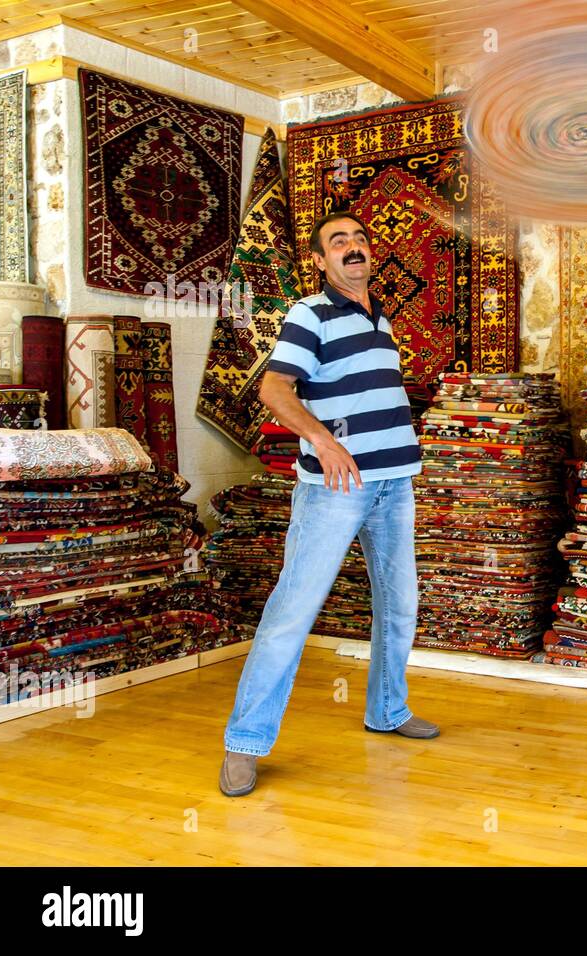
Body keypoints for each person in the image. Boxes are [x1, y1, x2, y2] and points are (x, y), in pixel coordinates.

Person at [219, 211, 437, 798]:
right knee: (293, 610)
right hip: (337, 488)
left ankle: (387, 711)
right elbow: (273, 388)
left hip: (395, 483)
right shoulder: (309, 313)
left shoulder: (381, 319)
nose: (353, 248)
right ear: (319, 261)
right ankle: (244, 742)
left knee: (398, 605)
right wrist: (323, 440)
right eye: (338, 242)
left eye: (360, 238)